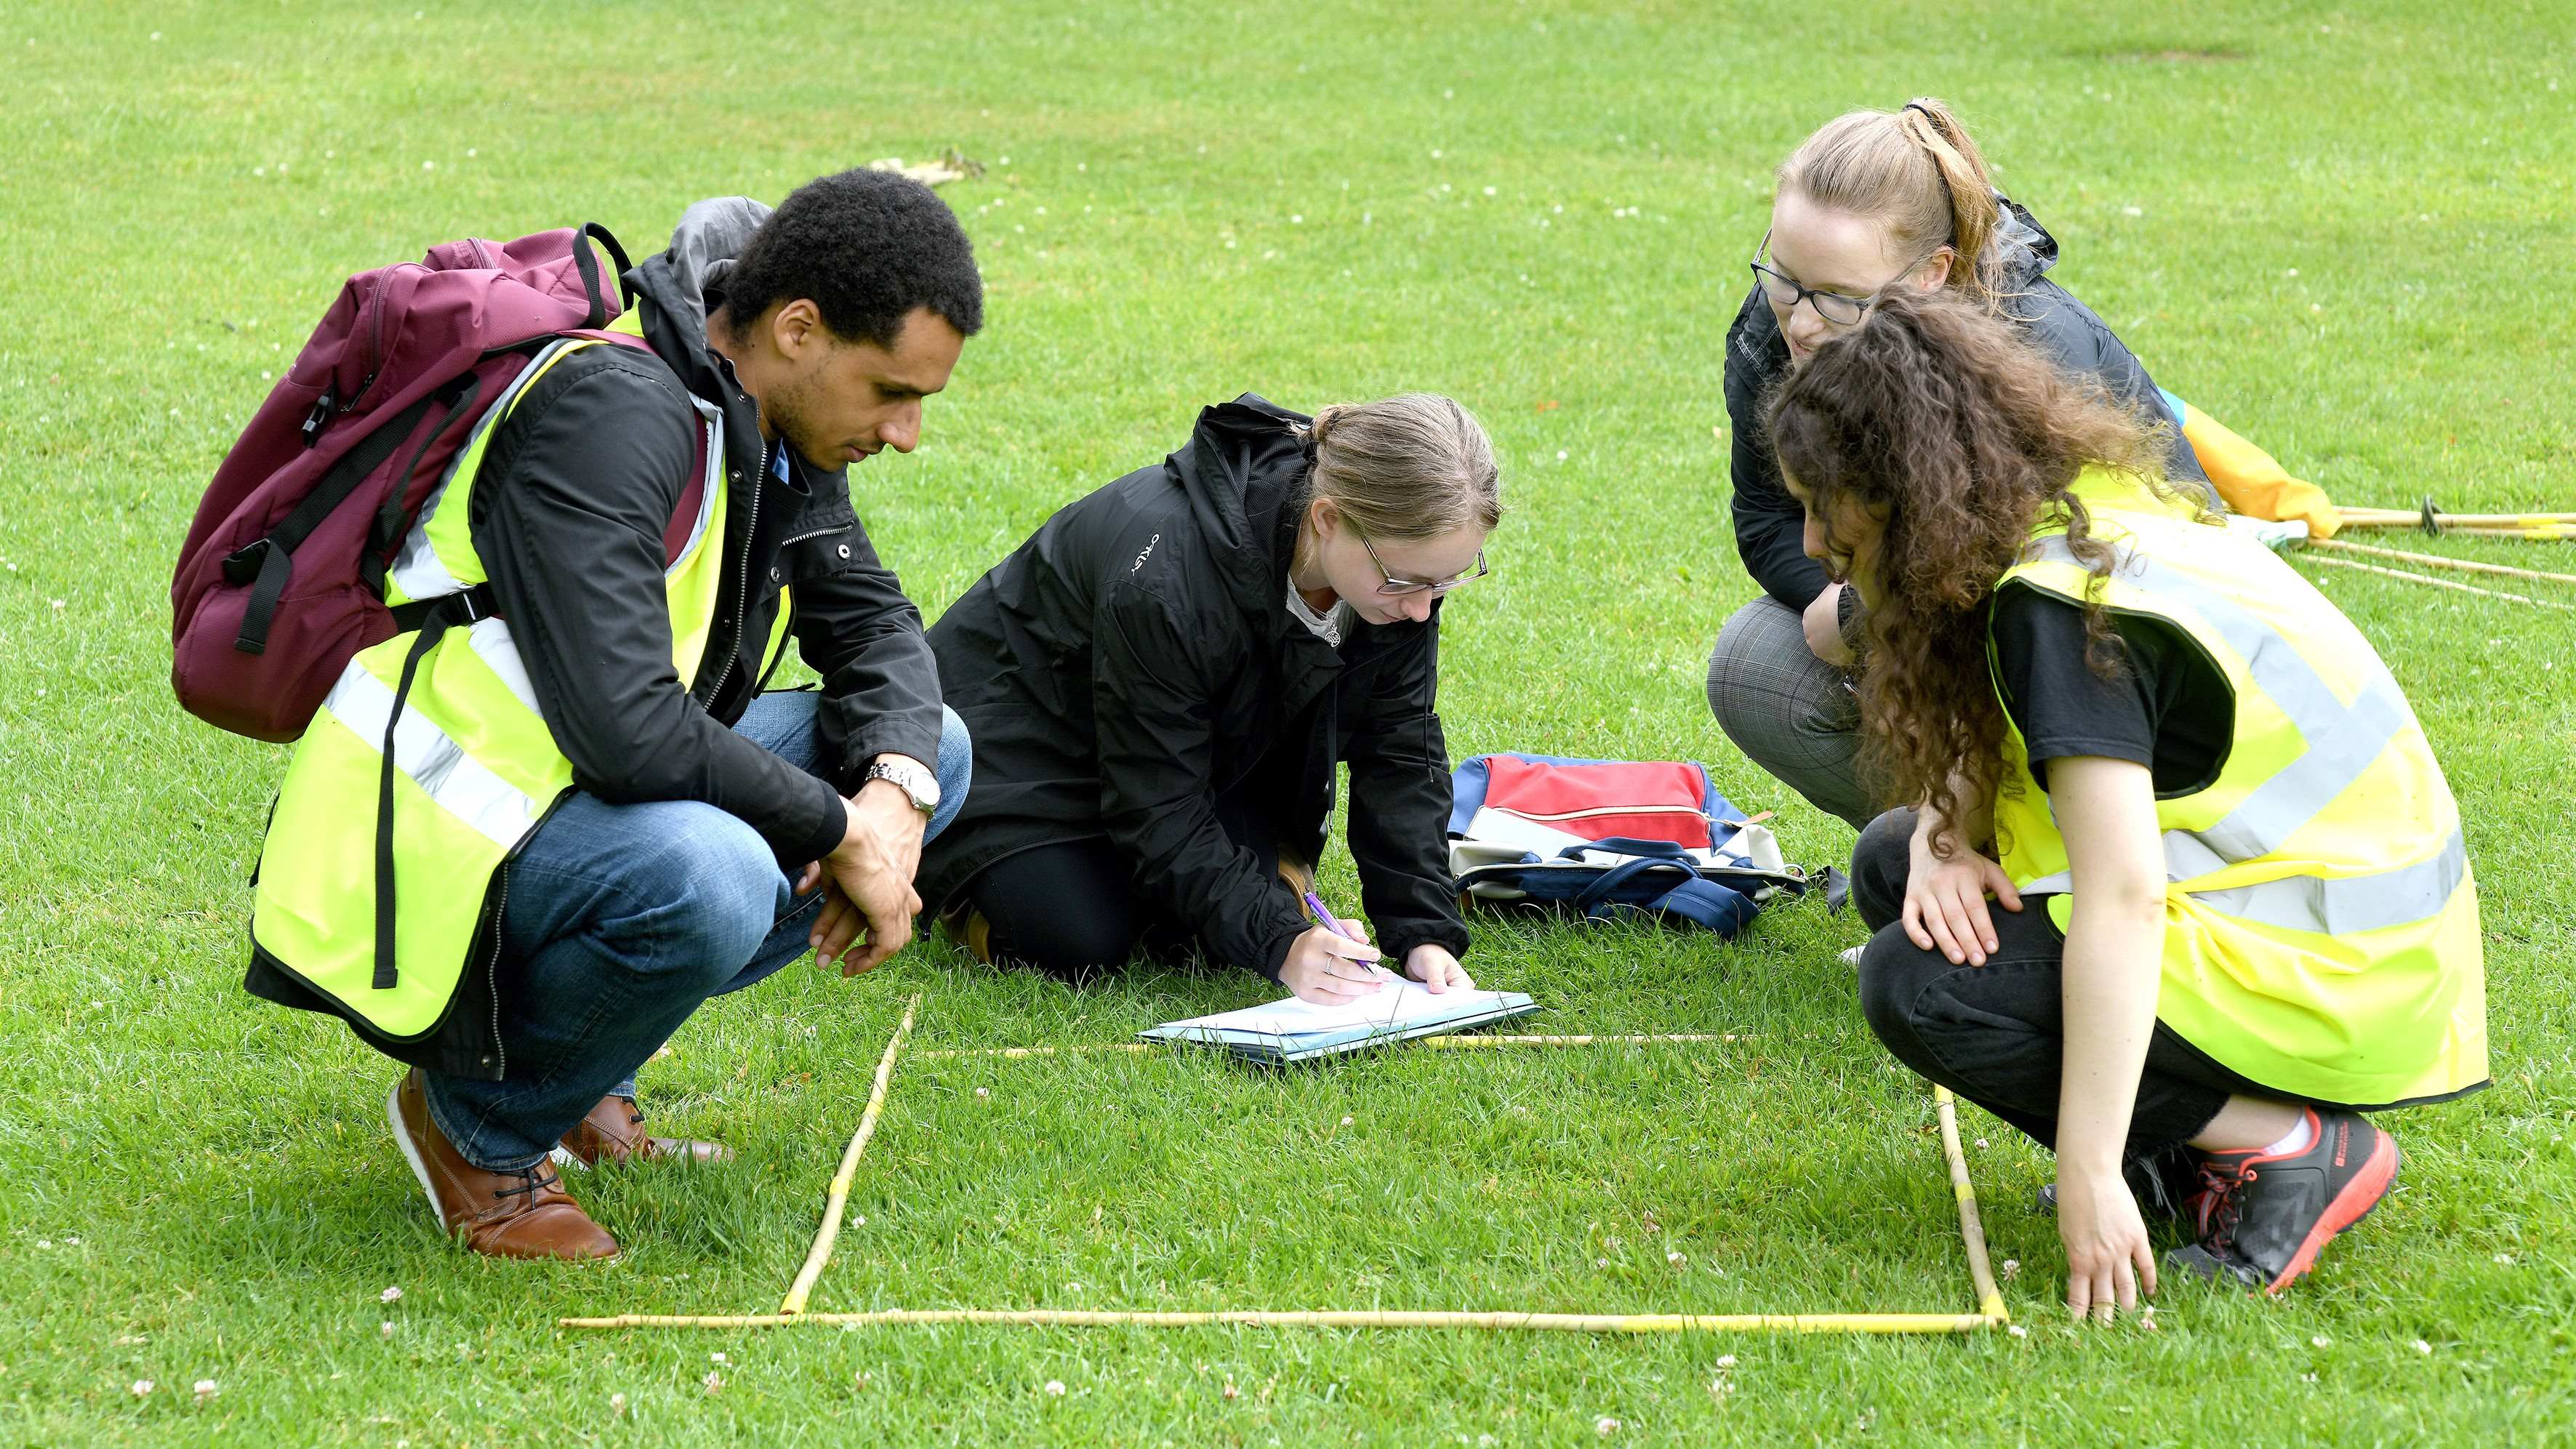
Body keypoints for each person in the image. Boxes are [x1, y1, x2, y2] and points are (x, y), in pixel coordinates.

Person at [241, 169, 983, 1260]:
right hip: (436, 820)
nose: (909, 431)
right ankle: (473, 1133)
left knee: (934, 752)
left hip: (565, 794)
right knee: (713, 873)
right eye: (889, 392)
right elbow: (627, 733)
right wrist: (838, 833)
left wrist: (894, 799)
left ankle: (583, 1087)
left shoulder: (767, 416)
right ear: (798, 329)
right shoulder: (607, 412)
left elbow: (874, 630)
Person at [1767, 289, 2486, 1315]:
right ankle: (2196, 1142)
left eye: (1823, 504)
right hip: (2299, 912)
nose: (1806, 540)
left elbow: (2122, 899)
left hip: (2338, 969)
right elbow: (2010, 775)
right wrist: (1940, 835)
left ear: (1904, 490)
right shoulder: (2070, 500)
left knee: (1919, 984)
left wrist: (2086, 1167)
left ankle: (2291, 1145)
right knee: (1897, 865)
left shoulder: (2058, 608)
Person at [1708, 97, 2213, 829]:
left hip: (2104, 651)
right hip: (1940, 620)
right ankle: (1936, 858)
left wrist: (1861, 608)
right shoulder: (1776, 324)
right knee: (1757, 664)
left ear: (1932, 272)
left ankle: (2051, 867)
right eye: (1783, 277)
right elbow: (1765, 517)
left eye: (1841, 297)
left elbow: (2058, 589)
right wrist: (1854, 602)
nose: (1802, 320)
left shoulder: (2035, 356)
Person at [922, 393, 1499, 1003]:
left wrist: (1423, 935)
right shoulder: (1167, 579)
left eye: (1447, 580)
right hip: (1016, 743)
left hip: (1178, 743)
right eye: (1407, 581)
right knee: (1081, 941)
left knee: (1201, 930)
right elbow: (1156, 805)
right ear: (1328, 519)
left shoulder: (1402, 578)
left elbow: (1401, 747)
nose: (1421, 607)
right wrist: (1281, 940)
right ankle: (958, 875)